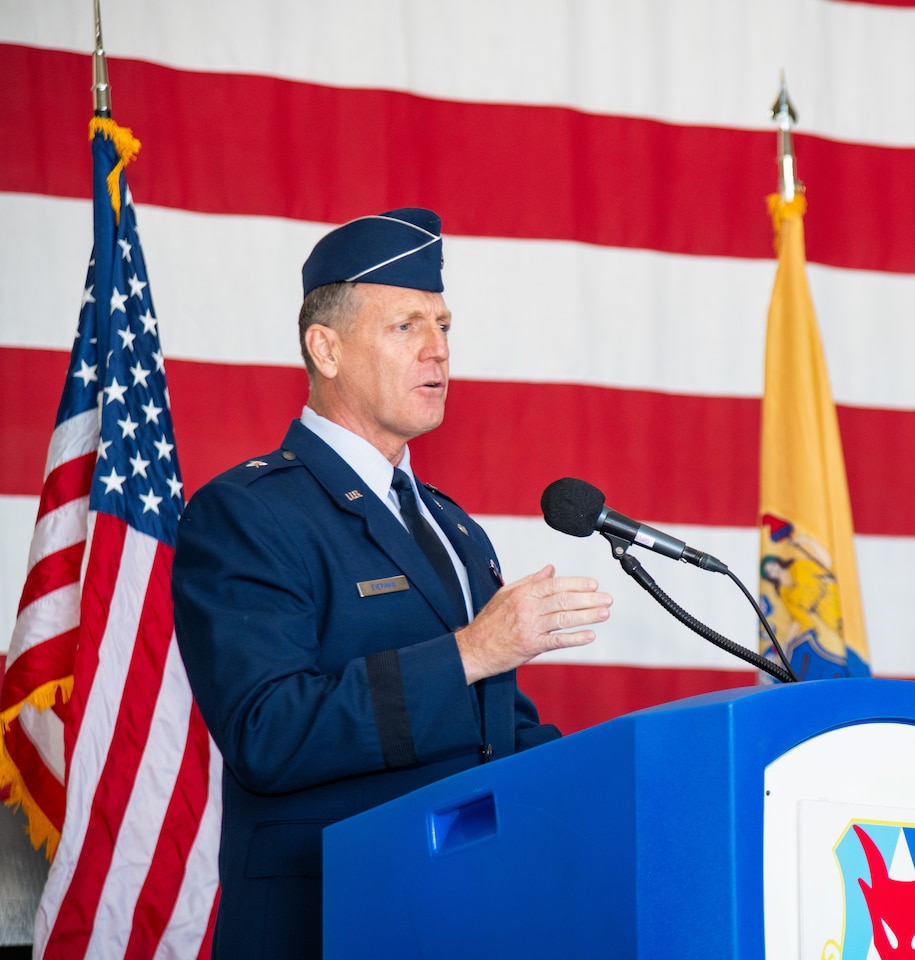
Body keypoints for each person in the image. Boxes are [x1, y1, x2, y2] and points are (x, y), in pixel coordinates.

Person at [172, 208, 613, 959]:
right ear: (326, 348)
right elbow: (267, 732)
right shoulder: (247, 514)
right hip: (324, 921)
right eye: (407, 326)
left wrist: (617, 781)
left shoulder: (450, 526)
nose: (438, 352)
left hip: (461, 913)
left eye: (444, 326)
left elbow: (491, 723)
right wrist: (470, 652)